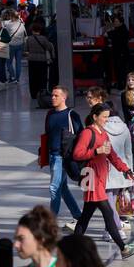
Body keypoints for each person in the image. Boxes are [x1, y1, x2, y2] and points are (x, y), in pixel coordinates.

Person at [71, 103, 134, 260]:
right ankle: (123, 248)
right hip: (93, 178)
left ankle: (72, 247)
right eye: (104, 117)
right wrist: (96, 151)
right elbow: (77, 154)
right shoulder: (88, 133)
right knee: (108, 213)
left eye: (108, 117)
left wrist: (126, 170)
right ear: (95, 117)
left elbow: (112, 155)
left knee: (86, 216)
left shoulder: (103, 133)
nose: (106, 121)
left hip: (100, 179)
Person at [44, 86, 83, 231]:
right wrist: (43, 154)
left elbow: (81, 135)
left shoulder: (72, 115)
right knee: (63, 188)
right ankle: (78, 215)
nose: (52, 98)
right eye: (52, 95)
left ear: (64, 97)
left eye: (56, 96)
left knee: (54, 188)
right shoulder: (50, 114)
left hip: (64, 156)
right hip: (53, 155)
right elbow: (47, 135)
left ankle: (50, 222)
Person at [25, 19, 53, 100]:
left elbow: (26, 49)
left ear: (32, 30)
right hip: (42, 60)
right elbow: (48, 47)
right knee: (42, 77)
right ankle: (42, 92)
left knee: (32, 77)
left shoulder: (29, 39)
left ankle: (33, 94)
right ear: (40, 30)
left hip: (32, 60)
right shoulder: (43, 39)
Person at [0, 7, 27, 84]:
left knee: (9, 62)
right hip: (20, 45)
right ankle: (17, 78)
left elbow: (4, 32)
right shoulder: (21, 25)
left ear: (11, 17)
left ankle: (12, 76)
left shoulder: (8, 25)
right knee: (18, 62)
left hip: (11, 45)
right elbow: (25, 35)